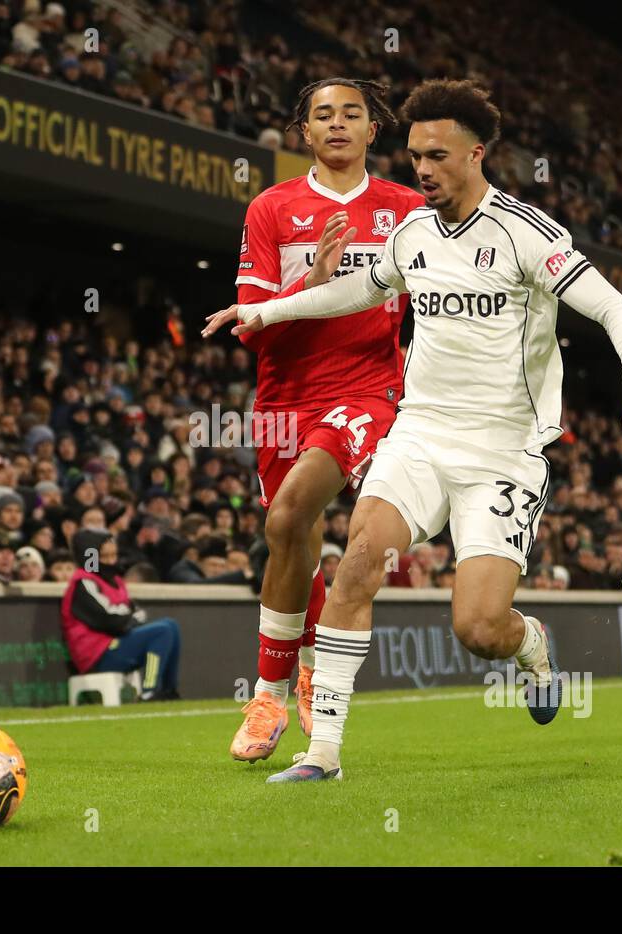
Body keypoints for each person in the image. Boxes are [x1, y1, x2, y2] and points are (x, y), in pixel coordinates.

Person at [205, 79, 622, 782]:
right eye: (415, 155)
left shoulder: (529, 233)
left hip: (501, 452)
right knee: (357, 562)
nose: (422, 169)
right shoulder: (413, 233)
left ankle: (530, 643)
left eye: (436, 155)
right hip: (420, 434)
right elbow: (360, 290)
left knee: (478, 629)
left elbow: (615, 310)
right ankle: (324, 756)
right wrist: (268, 313)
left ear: (475, 153)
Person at [226, 77, 424, 763]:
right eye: (322, 115)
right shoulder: (271, 208)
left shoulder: (407, 209)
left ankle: (267, 694)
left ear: (375, 129)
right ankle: (303, 675)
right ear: (303, 132)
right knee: (293, 538)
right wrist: (309, 283)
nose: (337, 124)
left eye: (352, 114)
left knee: (286, 518)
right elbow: (251, 329)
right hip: (283, 397)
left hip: (367, 390)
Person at [61, 529, 182, 701]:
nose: (111, 561)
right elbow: (110, 619)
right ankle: (149, 691)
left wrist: (129, 619)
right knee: (162, 631)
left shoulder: (116, 581)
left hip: (116, 643)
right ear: (90, 556)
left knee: (171, 625)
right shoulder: (84, 583)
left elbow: (135, 612)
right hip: (97, 655)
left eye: (113, 555)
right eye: (104, 556)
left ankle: (169, 691)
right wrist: (129, 618)